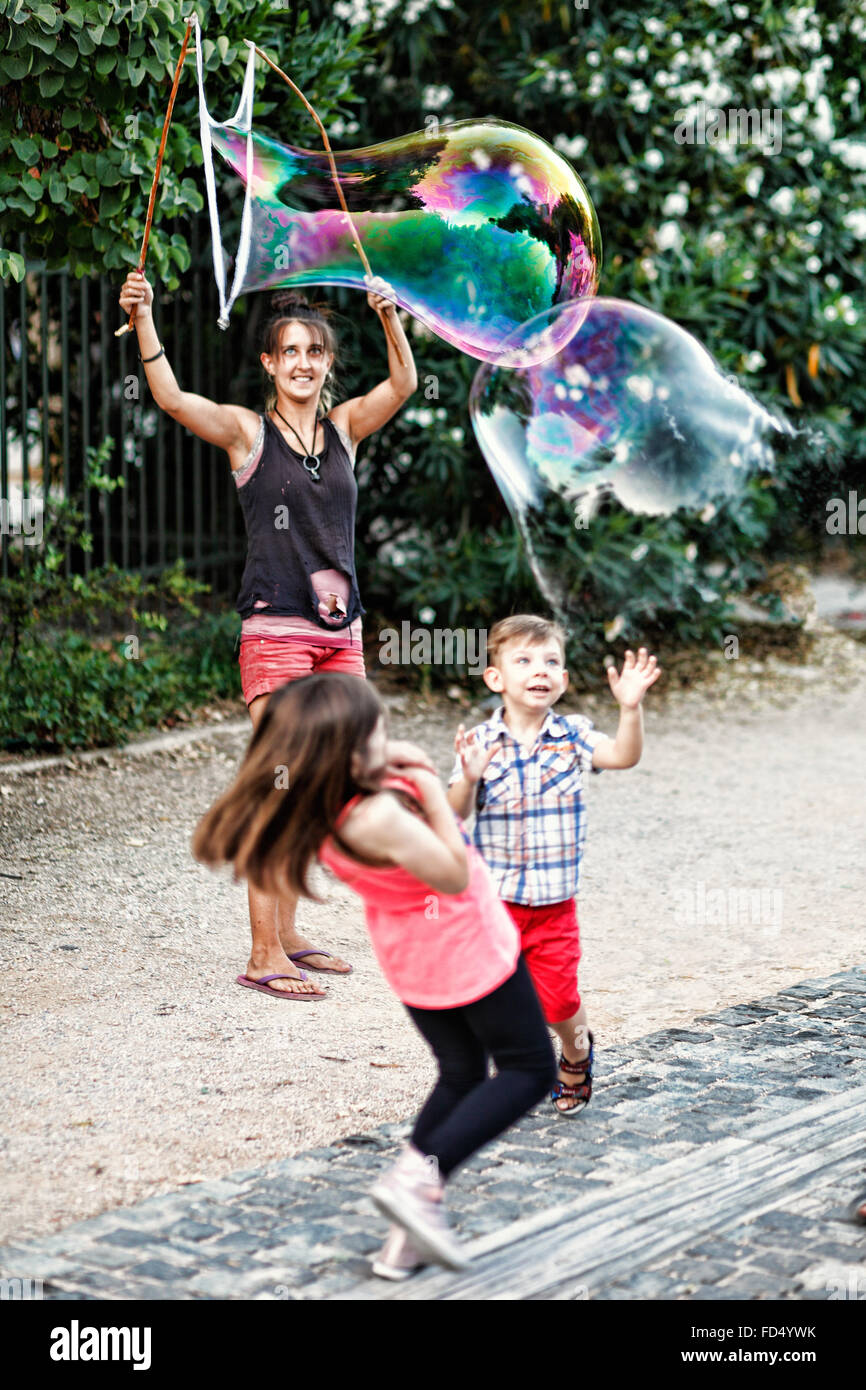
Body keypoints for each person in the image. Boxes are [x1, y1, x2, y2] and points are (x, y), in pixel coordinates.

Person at [191, 672, 556, 1277]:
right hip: (470, 953)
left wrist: (417, 775)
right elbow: (452, 876)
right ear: (355, 744)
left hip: (416, 969)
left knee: (463, 1073)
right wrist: (433, 794)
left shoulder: (324, 806)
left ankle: (404, 1238)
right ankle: (420, 1178)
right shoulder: (377, 815)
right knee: (528, 1067)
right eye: (379, 727)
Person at [118, 270, 417, 999]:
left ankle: (287, 935)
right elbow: (171, 398)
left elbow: (403, 385)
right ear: (269, 363)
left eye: (315, 352)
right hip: (276, 635)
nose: (304, 364)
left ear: (326, 362)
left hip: (339, 639)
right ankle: (261, 955)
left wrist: (390, 319)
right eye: (290, 352)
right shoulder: (247, 432)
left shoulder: (345, 428)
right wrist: (148, 316)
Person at [447, 615, 661, 1114]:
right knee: (493, 996)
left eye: (550, 661)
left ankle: (577, 1049)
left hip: (553, 906)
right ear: (495, 678)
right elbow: (453, 813)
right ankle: (521, 1064)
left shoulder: (575, 736)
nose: (539, 670)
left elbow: (624, 756)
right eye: (523, 660)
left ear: (563, 680)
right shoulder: (480, 743)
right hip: (494, 904)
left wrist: (630, 710)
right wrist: (470, 780)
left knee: (558, 1002)